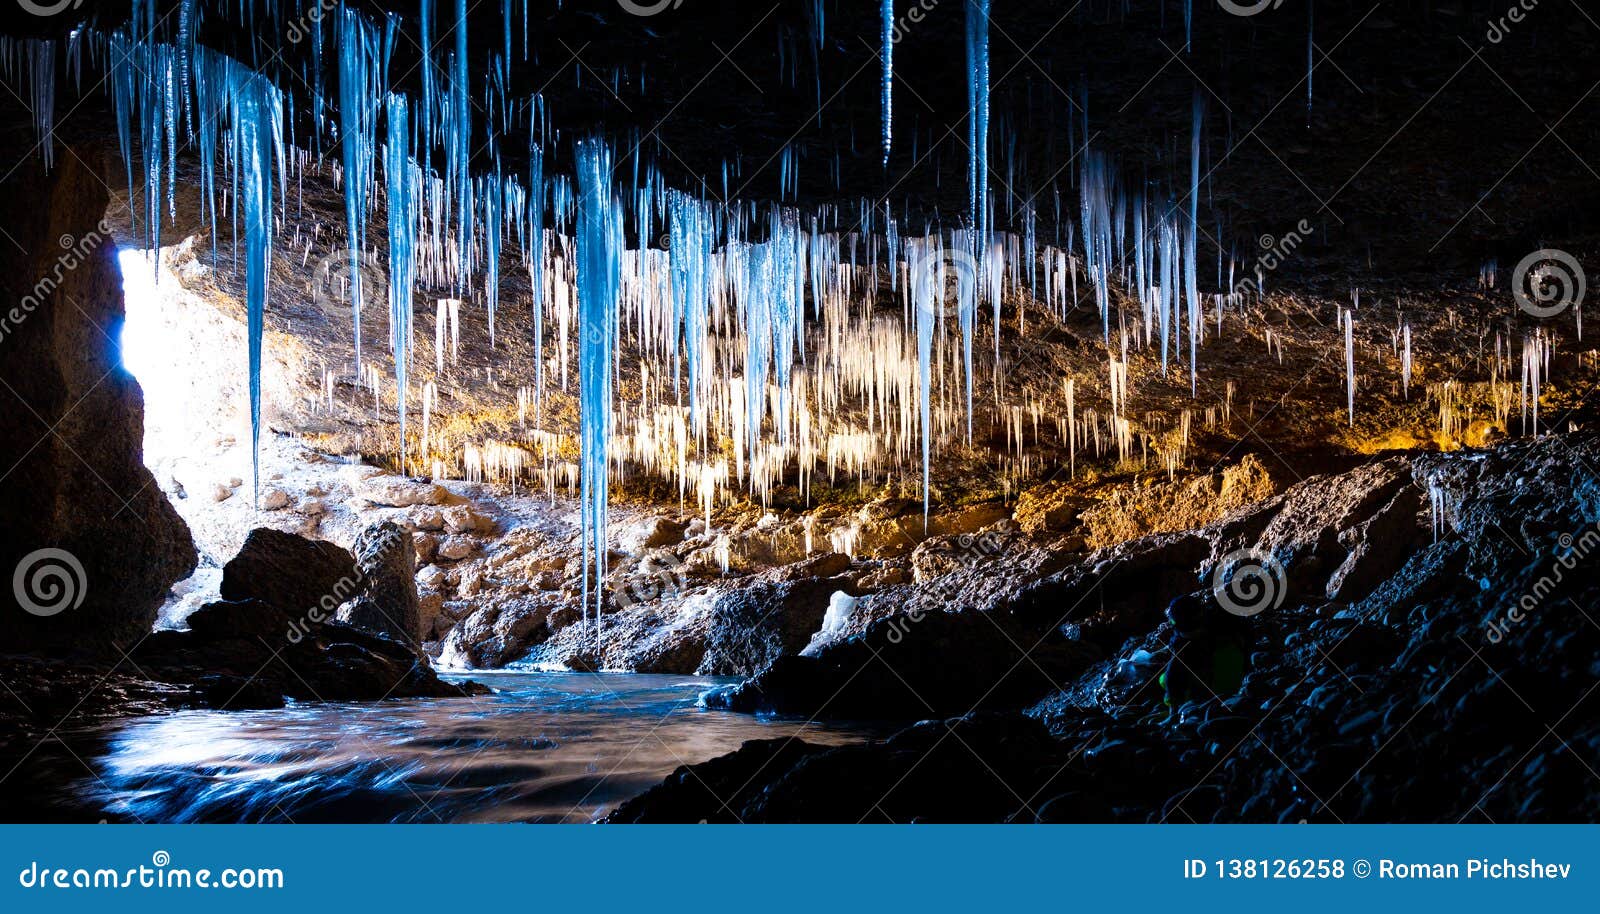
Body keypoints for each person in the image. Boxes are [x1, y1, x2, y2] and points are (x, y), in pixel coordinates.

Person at [1159, 591, 1251, 710]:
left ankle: (1189, 703)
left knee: (1163, 680)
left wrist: (1175, 710)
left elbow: (1173, 675)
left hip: (1216, 688)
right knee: (1165, 678)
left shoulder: (1183, 644)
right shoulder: (1226, 622)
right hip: (1240, 679)